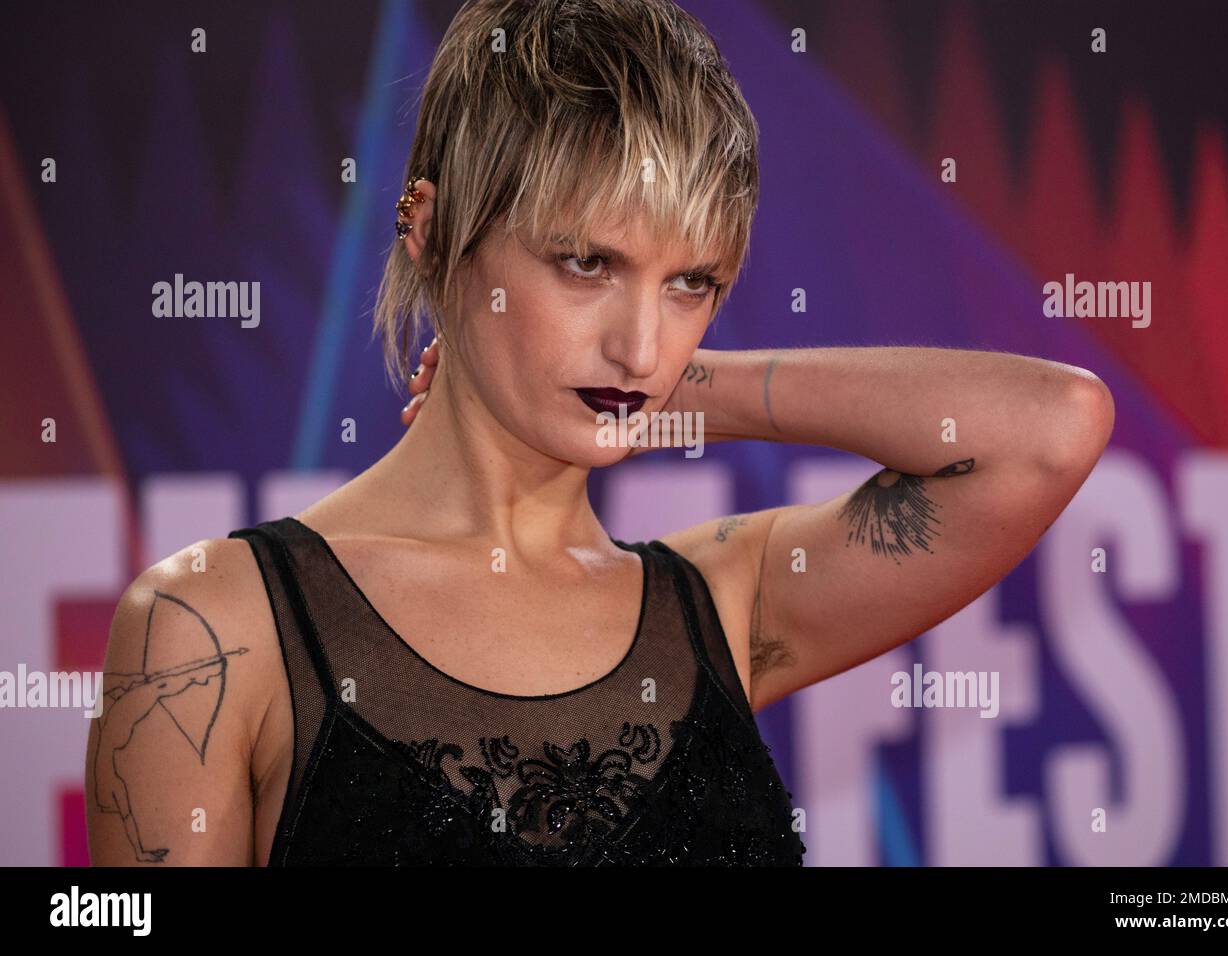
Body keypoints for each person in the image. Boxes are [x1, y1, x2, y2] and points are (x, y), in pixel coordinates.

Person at [86, 0, 1113, 866]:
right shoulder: (214, 627)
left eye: (690, 284)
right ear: (431, 228)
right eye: (586, 263)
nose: (638, 344)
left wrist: (696, 389)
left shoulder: (718, 599)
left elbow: (1052, 427)